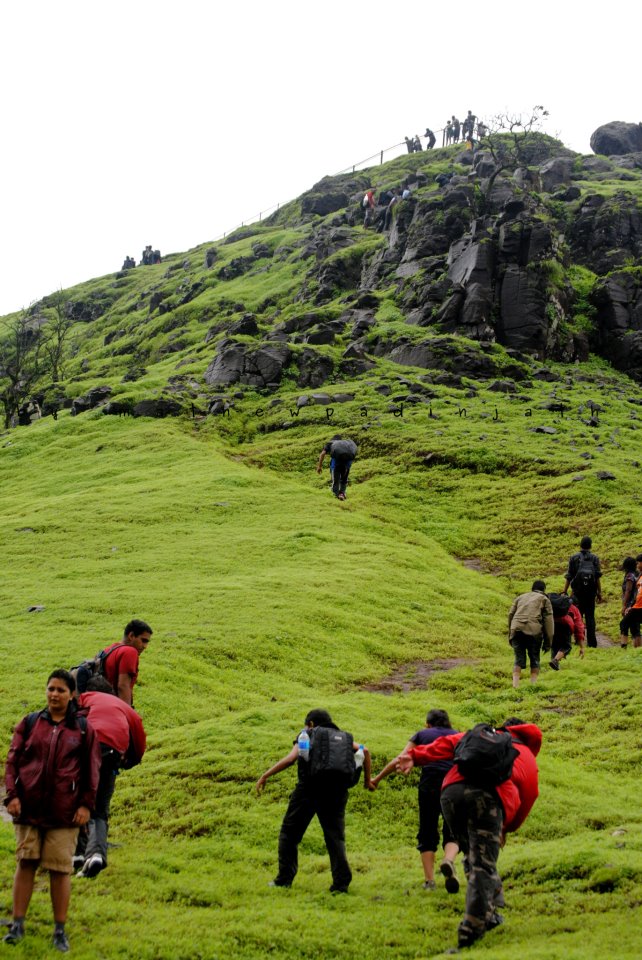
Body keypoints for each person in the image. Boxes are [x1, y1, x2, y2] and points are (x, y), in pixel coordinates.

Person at [397, 718, 541, 950]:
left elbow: (446, 743)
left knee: (475, 856)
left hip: (450, 795)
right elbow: (530, 794)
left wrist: (415, 756)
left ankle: (491, 912)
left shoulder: (482, 735)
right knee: (482, 863)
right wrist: (507, 827)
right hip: (487, 801)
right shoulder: (524, 753)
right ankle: (471, 931)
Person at [2, 670, 101, 952]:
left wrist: (85, 805)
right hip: (29, 808)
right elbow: (13, 760)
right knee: (26, 863)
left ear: (72, 694)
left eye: (60, 690)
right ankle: (17, 924)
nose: (54, 694)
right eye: (50, 689)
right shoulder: (30, 723)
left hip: (65, 812)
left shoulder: (83, 729)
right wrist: (12, 796)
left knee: (60, 871)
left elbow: (92, 770)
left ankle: (59, 931)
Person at [255, 709, 371, 892]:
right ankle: (341, 884)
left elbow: (291, 759)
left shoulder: (307, 733)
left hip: (309, 789)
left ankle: (284, 879)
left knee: (289, 833)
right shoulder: (344, 738)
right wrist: (367, 781)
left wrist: (265, 775)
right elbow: (366, 751)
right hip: (337, 792)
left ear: (311, 724)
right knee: (335, 838)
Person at [370, 708, 460, 892]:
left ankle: (429, 881)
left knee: (427, 829)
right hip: (454, 786)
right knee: (453, 830)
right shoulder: (458, 735)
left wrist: (376, 779)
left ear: (428, 724)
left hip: (430, 786)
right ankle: (448, 861)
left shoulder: (422, 734)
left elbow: (400, 758)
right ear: (448, 723)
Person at [74, 677, 147, 878]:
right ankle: (95, 854)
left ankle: (78, 854)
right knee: (99, 809)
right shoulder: (122, 706)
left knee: (78, 799)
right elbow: (139, 734)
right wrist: (131, 761)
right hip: (112, 753)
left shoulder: (84, 698)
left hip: (85, 749)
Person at [508, 580, 554, 687]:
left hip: (516, 629)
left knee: (518, 659)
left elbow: (511, 614)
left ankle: (515, 686)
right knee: (534, 658)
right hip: (533, 632)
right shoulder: (544, 599)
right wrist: (548, 643)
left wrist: (511, 633)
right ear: (544, 590)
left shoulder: (520, 597)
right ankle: (533, 686)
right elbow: (549, 622)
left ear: (532, 588)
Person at [100, 618, 153, 706]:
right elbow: (123, 686)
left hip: (101, 704)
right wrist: (127, 714)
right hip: (114, 707)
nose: (145, 646)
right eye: (143, 641)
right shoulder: (130, 651)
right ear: (131, 636)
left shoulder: (111, 648)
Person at [563, 536, 602, 648]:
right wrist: (599, 592)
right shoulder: (595, 558)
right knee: (590, 617)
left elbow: (569, 576)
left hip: (577, 593)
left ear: (580, 545)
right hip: (590, 593)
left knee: (577, 617)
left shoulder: (574, 557)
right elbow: (598, 577)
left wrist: (565, 591)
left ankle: (578, 641)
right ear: (590, 546)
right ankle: (592, 643)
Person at [548, 593, 585, 670]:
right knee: (566, 646)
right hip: (565, 625)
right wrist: (582, 647)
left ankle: (555, 664)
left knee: (555, 646)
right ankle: (555, 661)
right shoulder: (574, 609)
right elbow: (579, 627)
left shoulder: (556, 606)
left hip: (552, 624)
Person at [316, 436, 358, 501]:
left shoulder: (330, 443)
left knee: (336, 480)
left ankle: (335, 495)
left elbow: (322, 454)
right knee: (344, 479)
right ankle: (342, 493)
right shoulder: (346, 445)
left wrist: (319, 466)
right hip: (347, 464)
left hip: (336, 464)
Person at [619, 554, 642, 649]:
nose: (637, 564)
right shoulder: (638, 574)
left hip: (633, 604)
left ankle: (624, 647)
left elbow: (628, 591)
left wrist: (625, 605)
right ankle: (637, 649)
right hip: (635, 604)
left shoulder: (629, 576)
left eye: (638, 562)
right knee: (634, 627)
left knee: (624, 624)